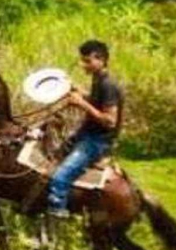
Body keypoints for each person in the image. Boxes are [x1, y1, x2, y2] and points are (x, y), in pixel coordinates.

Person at [45, 39, 123, 219]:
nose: (83, 65)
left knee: (60, 178)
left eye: (87, 61)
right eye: (82, 60)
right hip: (86, 134)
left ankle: (54, 227)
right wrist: (79, 91)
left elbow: (110, 121)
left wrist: (81, 104)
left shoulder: (108, 85)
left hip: (96, 141)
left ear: (101, 60)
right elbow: (96, 101)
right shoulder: (98, 80)